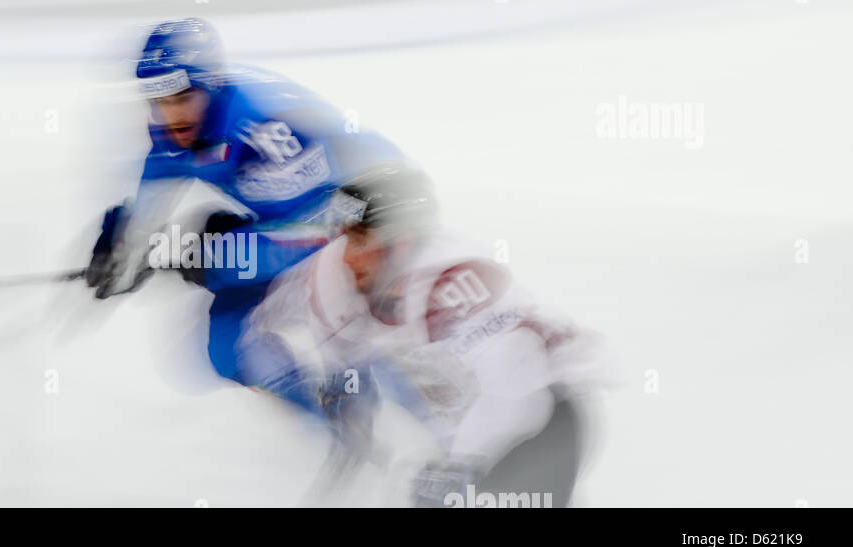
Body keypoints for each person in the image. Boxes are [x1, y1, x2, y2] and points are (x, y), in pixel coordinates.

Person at [84, 18, 428, 390]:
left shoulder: (263, 125)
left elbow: (321, 229)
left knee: (346, 332)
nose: (172, 115)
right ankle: (333, 419)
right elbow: (153, 197)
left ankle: (388, 394)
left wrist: (218, 255)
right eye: (159, 101)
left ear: (211, 86)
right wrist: (123, 244)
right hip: (289, 225)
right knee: (225, 353)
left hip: (371, 218)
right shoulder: (172, 131)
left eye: (183, 98)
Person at [239, 164, 609, 506]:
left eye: (361, 241)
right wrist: (344, 392)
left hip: (541, 420)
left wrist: (460, 468)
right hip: (468, 425)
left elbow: (514, 388)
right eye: (344, 238)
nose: (347, 257)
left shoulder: (450, 279)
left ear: (401, 243)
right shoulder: (333, 275)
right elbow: (301, 332)